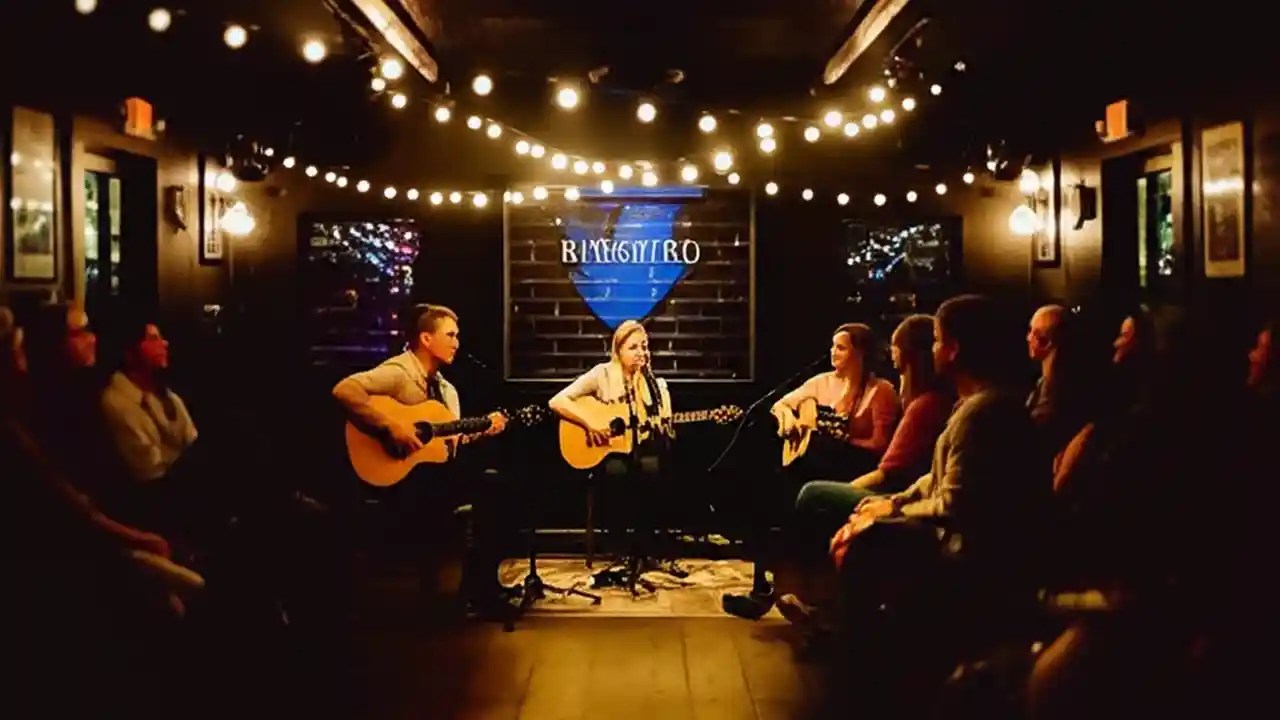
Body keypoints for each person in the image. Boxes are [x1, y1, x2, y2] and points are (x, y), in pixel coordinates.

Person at [829, 295, 1047, 618]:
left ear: (954, 349)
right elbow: (936, 478)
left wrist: (886, 517)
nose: (932, 350)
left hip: (969, 551)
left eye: (936, 340)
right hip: (952, 535)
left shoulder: (982, 413)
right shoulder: (970, 405)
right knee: (865, 522)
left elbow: (953, 505)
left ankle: (860, 648)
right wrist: (894, 503)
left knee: (865, 538)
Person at [332, 304, 514, 616]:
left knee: (498, 484)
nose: (457, 342)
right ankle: (477, 592)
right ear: (426, 339)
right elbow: (344, 389)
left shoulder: (445, 389)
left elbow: (446, 443)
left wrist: (485, 428)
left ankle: (480, 587)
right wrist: (391, 427)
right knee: (492, 489)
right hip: (396, 482)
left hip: (427, 477)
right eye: (451, 335)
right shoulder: (399, 372)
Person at [779, 315, 954, 624]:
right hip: (900, 486)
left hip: (891, 483)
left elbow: (888, 464)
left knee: (813, 494)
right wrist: (794, 418)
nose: (893, 356)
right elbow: (786, 403)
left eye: (841, 348)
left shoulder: (911, 401)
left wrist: (860, 492)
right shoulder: (825, 382)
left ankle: (814, 599)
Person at [722, 323, 899, 619]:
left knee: (784, 495)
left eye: (840, 347)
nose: (833, 352)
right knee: (765, 496)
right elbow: (780, 405)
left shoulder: (880, 392)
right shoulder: (822, 382)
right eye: (832, 346)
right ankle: (767, 588)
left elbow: (881, 446)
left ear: (859, 352)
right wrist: (788, 421)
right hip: (813, 468)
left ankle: (785, 592)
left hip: (853, 470)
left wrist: (843, 440)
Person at [547, 319, 681, 581]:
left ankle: (645, 547)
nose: (641, 352)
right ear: (618, 350)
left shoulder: (655, 385)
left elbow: (665, 424)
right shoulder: (602, 374)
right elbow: (557, 401)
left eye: (644, 346)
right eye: (633, 347)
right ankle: (619, 547)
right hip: (608, 453)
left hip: (641, 451)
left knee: (653, 469)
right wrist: (591, 423)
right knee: (617, 471)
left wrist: (664, 428)